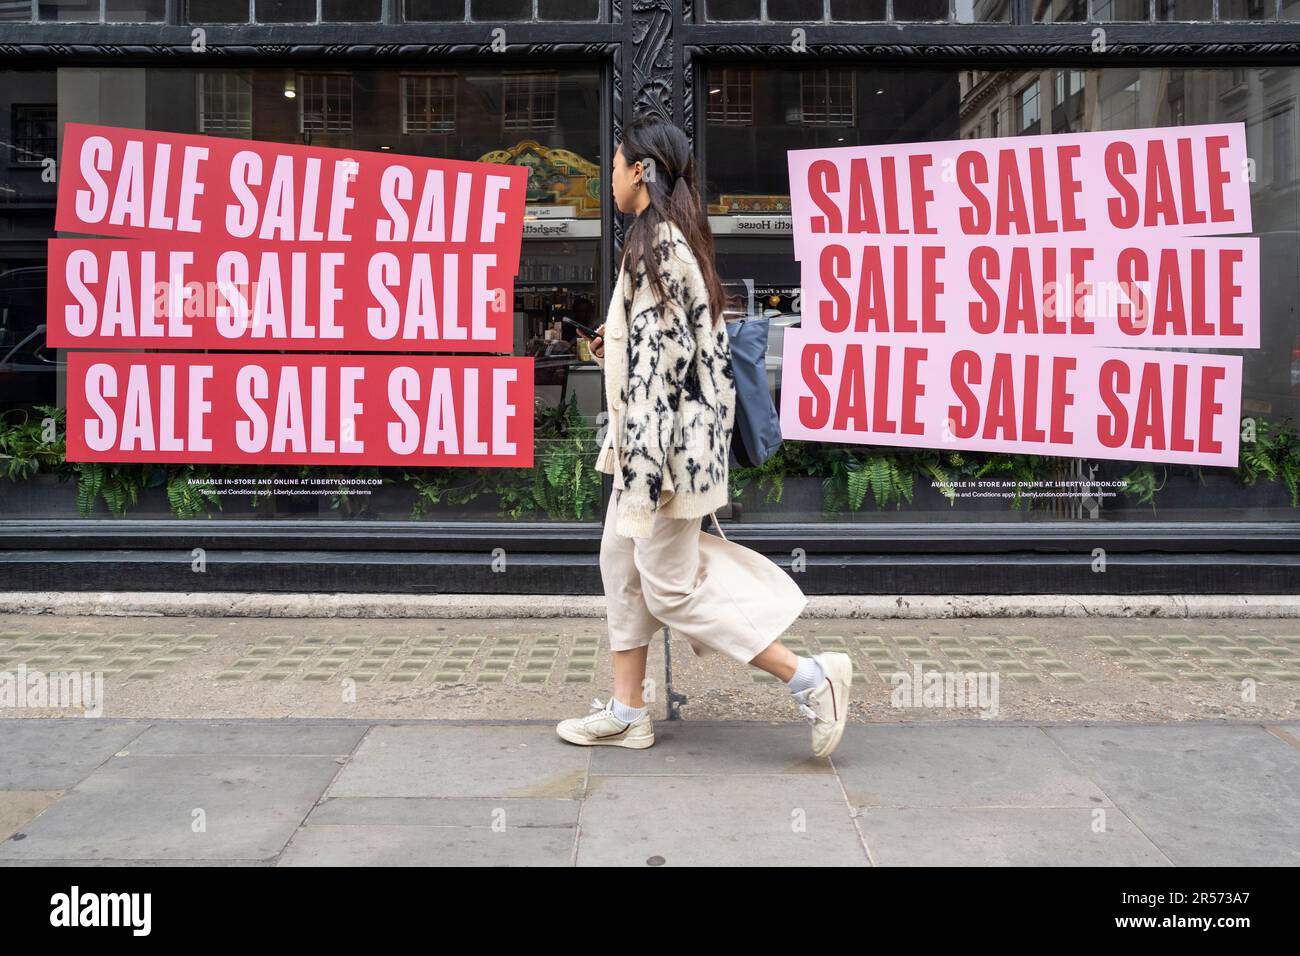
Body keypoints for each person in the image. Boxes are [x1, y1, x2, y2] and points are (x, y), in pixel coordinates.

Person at [554, 113, 852, 758]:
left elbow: (662, 382)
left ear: (640, 170)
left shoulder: (656, 245)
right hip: (666, 448)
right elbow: (676, 350)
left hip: (663, 458)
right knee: (622, 569)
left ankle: (811, 678)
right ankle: (628, 710)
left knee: (669, 587)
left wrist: (640, 481)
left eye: (612, 164)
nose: (607, 177)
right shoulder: (665, 236)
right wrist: (622, 346)